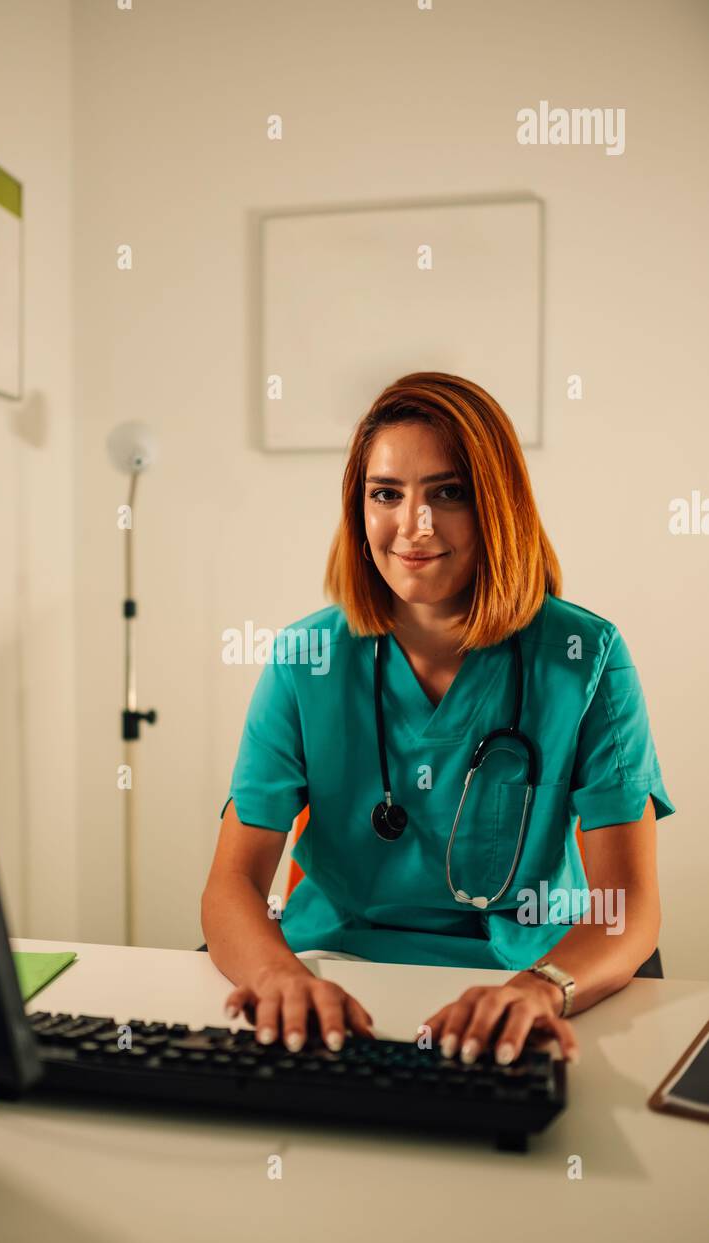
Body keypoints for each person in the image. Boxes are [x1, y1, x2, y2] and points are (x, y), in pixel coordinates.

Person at [201, 372, 674, 1067]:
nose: (414, 527)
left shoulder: (584, 658)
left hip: (521, 983)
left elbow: (628, 905)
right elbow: (232, 885)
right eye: (386, 494)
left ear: (497, 507)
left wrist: (541, 989)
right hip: (339, 976)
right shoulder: (306, 660)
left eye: (448, 493)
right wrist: (280, 977)